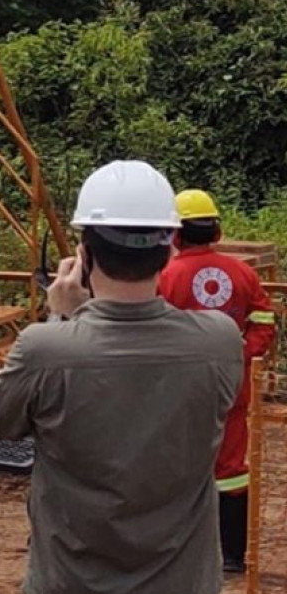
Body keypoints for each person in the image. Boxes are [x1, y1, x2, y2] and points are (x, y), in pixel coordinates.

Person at [0, 161, 244, 593]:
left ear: (84, 254)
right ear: (169, 250)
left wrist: (63, 318)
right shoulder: (219, 342)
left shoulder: (46, 349)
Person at [157, 188, 275, 573]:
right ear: (217, 232)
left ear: (175, 235)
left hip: (180, 386)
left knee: (175, 462)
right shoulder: (243, 273)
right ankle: (234, 557)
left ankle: (178, 550)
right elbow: (264, 320)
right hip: (232, 383)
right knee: (231, 467)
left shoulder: (166, 276)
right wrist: (242, 354)